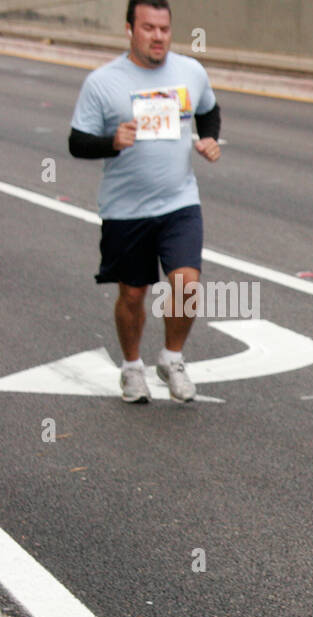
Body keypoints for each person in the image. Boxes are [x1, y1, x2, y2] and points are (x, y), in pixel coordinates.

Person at [67, 0, 221, 403]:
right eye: (149, 28)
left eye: (164, 29)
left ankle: (172, 358)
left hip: (179, 202)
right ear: (130, 30)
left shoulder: (191, 72)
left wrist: (208, 138)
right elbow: (76, 142)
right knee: (133, 295)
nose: (158, 37)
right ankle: (132, 367)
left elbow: (209, 110)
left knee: (186, 285)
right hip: (125, 209)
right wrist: (111, 142)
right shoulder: (103, 82)